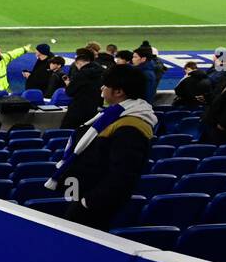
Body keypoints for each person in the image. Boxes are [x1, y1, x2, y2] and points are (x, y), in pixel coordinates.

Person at [52, 65, 156, 230]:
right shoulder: (117, 115)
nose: (101, 88)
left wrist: (88, 202)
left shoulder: (130, 126)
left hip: (94, 206)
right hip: (88, 195)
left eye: (105, 85)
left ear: (118, 91)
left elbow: (123, 174)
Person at [62, 48, 106, 129]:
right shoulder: (102, 72)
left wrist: (69, 85)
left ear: (78, 63)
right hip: (94, 108)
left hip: (77, 109)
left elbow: (69, 92)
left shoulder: (80, 74)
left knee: (67, 132)